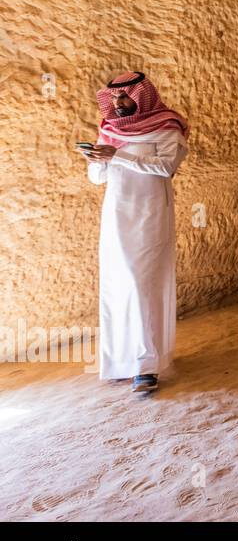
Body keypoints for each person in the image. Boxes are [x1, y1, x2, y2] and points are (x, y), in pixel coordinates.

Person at [80, 72, 189, 393]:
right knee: (117, 285)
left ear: (141, 96)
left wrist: (119, 154)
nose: (118, 104)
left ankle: (147, 365)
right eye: (114, 99)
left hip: (150, 215)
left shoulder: (167, 125)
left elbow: (164, 167)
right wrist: (97, 160)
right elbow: (98, 179)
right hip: (116, 215)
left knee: (143, 283)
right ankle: (120, 361)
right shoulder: (109, 130)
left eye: (124, 97)